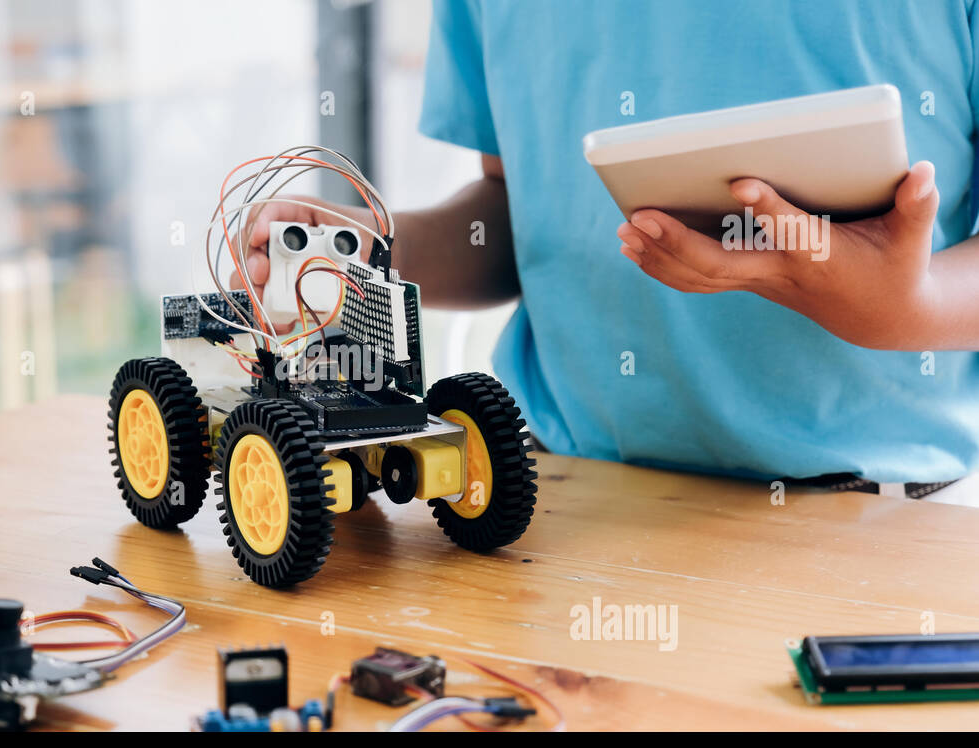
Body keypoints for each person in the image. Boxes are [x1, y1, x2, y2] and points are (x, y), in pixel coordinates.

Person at [236, 1, 979, 504]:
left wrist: (906, 310)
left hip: (883, 521)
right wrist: (367, 252)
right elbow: (514, 213)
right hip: (562, 498)